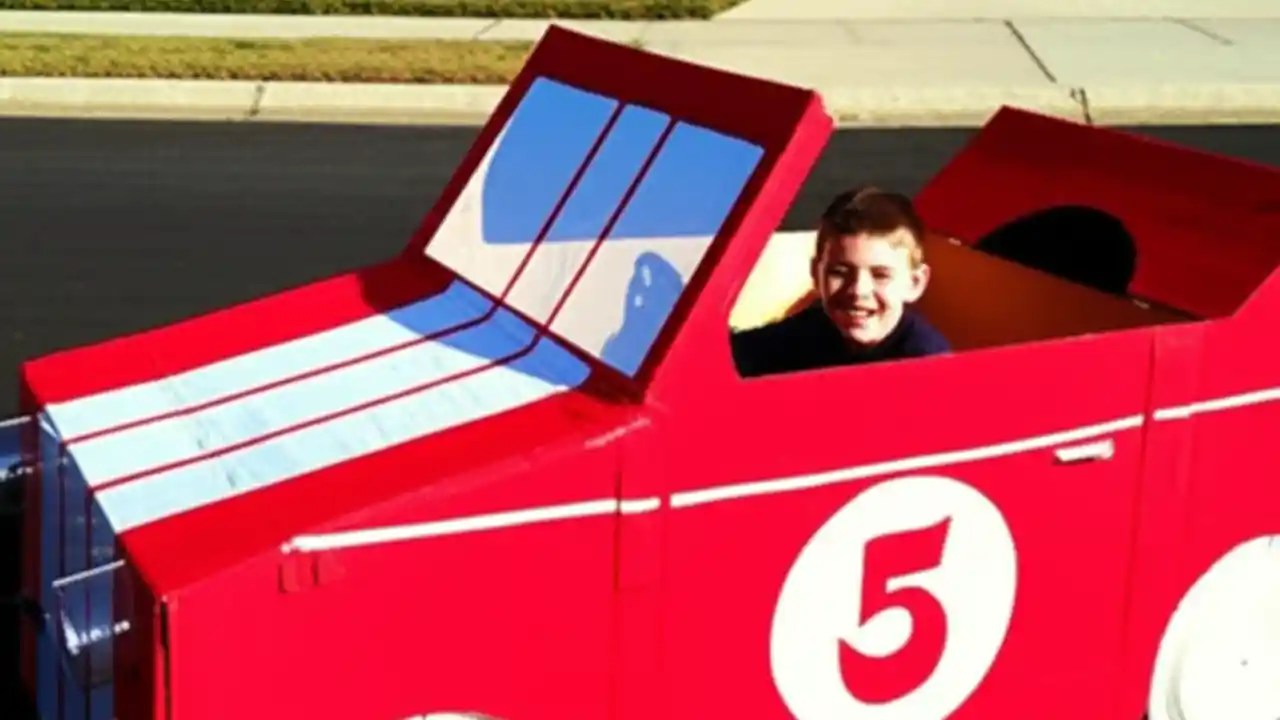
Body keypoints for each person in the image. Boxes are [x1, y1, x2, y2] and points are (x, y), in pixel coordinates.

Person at [731, 186, 950, 378]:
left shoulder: (926, 365)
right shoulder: (815, 327)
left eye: (880, 275)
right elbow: (737, 353)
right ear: (817, 274)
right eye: (839, 272)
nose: (858, 290)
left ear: (914, 283)